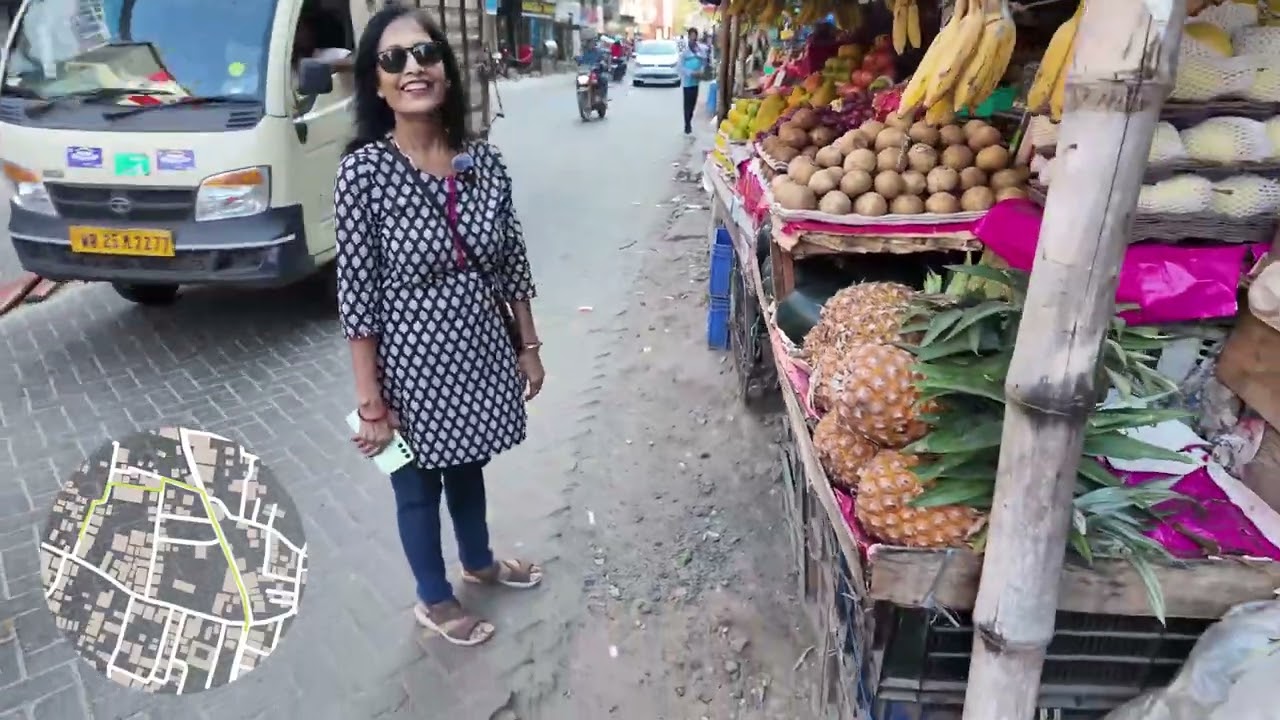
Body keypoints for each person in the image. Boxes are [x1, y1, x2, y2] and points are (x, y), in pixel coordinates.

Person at [334, 4, 546, 647]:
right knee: (417, 486)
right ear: (377, 84)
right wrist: (370, 401)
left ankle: (478, 560)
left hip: (479, 351)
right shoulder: (363, 174)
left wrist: (528, 346)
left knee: (468, 464)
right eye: (393, 59)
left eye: (425, 54)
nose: (412, 68)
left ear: (447, 73)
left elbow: (511, 261)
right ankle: (433, 596)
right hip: (407, 365)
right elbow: (357, 295)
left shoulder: (483, 163)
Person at [292, 11, 353, 86]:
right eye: (297, 31)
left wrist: (327, 67)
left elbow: (356, 61)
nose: (301, 35)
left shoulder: (330, 54)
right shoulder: (283, 68)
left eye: (301, 29)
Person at [679, 27, 708, 135]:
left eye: (694, 36)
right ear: (689, 37)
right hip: (687, 82)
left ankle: (689, 120)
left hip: (696, 82)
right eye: (691, 36)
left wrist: (701, 71)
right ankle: (687, 125)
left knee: (693, 104)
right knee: (687, 104)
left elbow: (704, 62)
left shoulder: (700, 50)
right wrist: (691, 73)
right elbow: (680, 67)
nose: (693, 38)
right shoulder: (685, 52)